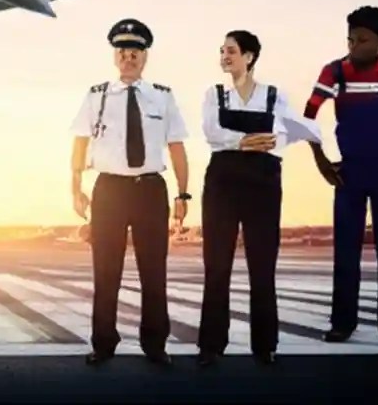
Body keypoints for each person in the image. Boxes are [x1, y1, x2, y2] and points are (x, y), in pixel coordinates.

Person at [196, 30, 321, 367]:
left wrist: (269, 140)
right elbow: (211, 132)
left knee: (262, 265)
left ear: (249, 57)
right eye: (222, 50)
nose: (225, 56)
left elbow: (300, 129)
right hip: (222, 179)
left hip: (263, 181)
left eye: (232, 51)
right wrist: (245, 141)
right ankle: (210, 345)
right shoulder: (214, 94)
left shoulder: (274, 95)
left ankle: (264, 345)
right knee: (217, 264)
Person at [70, 18, 190, 366]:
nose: (129, 57)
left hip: (150, 190)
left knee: (154, 272)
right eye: (122, 50)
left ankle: (155, 345)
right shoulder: (96, 96)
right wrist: (75, 186)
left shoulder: (163, 97)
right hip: (108, 190)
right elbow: (80, 141)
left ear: (145, 56)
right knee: (105, 271)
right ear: (115, 56)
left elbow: (177, 147)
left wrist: (183, 195)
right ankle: (103, 343)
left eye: (135, 51)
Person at [303, 5, 378, 348]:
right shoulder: (334, 72)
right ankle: (343, 322)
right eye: (351, 38)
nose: (354, 46)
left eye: (363, 39)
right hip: (350, 172)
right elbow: (310, 113)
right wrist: (321, 160)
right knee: (345, 251)